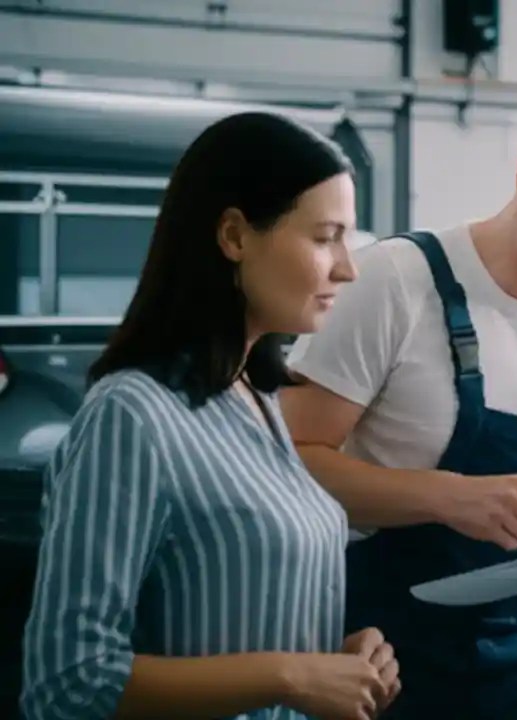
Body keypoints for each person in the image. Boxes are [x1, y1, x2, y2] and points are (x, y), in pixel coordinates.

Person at [279, 82, 517, 719]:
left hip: (514, 681)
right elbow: (285, 464)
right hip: (368, 669)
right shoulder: (396, 283)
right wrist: (446, 494)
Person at [21, 111, 402, 720]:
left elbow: (232, 626)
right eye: (324, 236)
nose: (347, 267)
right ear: (234, 236)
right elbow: (69, 678)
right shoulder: (132, 417)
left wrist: (331, 658)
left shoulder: (255, 399)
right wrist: (290, 674)